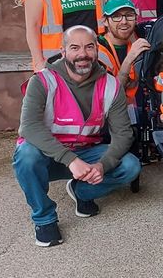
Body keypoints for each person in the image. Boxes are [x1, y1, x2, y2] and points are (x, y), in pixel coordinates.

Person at [13, 25, 141, 247]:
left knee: (130, 166)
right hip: (49, 157)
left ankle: (82, 191)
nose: (83, 54)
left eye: (89, 47)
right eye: (74, 47)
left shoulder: (111, 85)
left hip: (86, 152)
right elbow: (29, 127)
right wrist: (70, 160)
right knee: (26, 155)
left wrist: (102, 165)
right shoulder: (42, 80)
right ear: (63, 52)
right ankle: (44, 218)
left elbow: (123, 134)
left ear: (96, 51)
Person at [96, 0, 151, 126]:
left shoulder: (141, 35)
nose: (124, 21)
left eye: (129, 15)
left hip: (139, 111)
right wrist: (129, 58)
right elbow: (112, 94)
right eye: (116, 17)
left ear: (136, 18)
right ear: (105, 21)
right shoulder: (96, 50)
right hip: (110, 117)